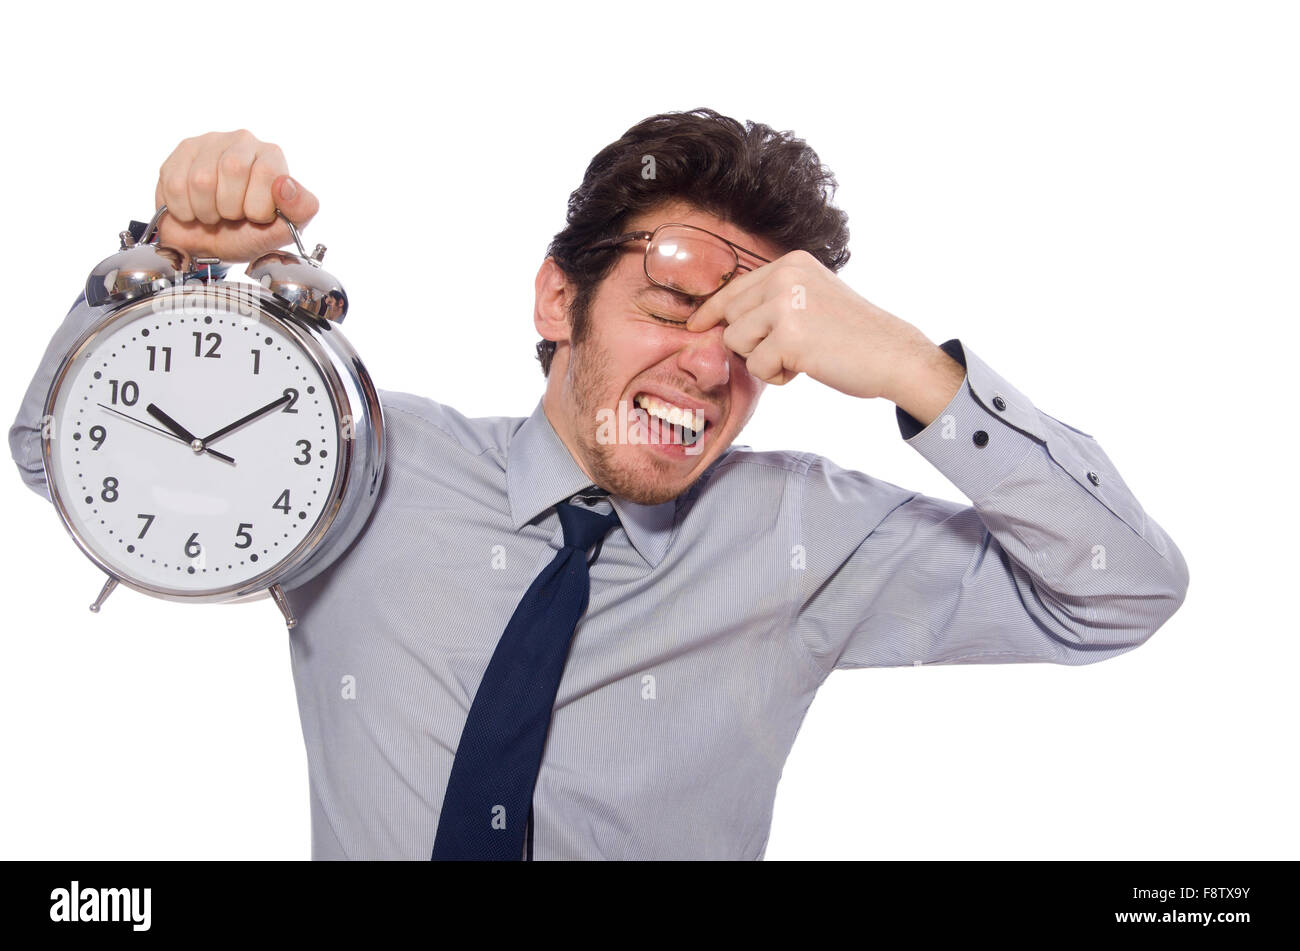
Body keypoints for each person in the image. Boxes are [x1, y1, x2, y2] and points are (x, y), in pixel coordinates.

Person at [9, 110, 1189, 860]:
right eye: (672, 305)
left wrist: (913, 371)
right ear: (553, 301)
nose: (709, 362)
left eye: (749, 330)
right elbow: (58, 458)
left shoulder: (804, 533)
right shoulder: (368, 460)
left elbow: (1117, 595)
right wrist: (169, 280)